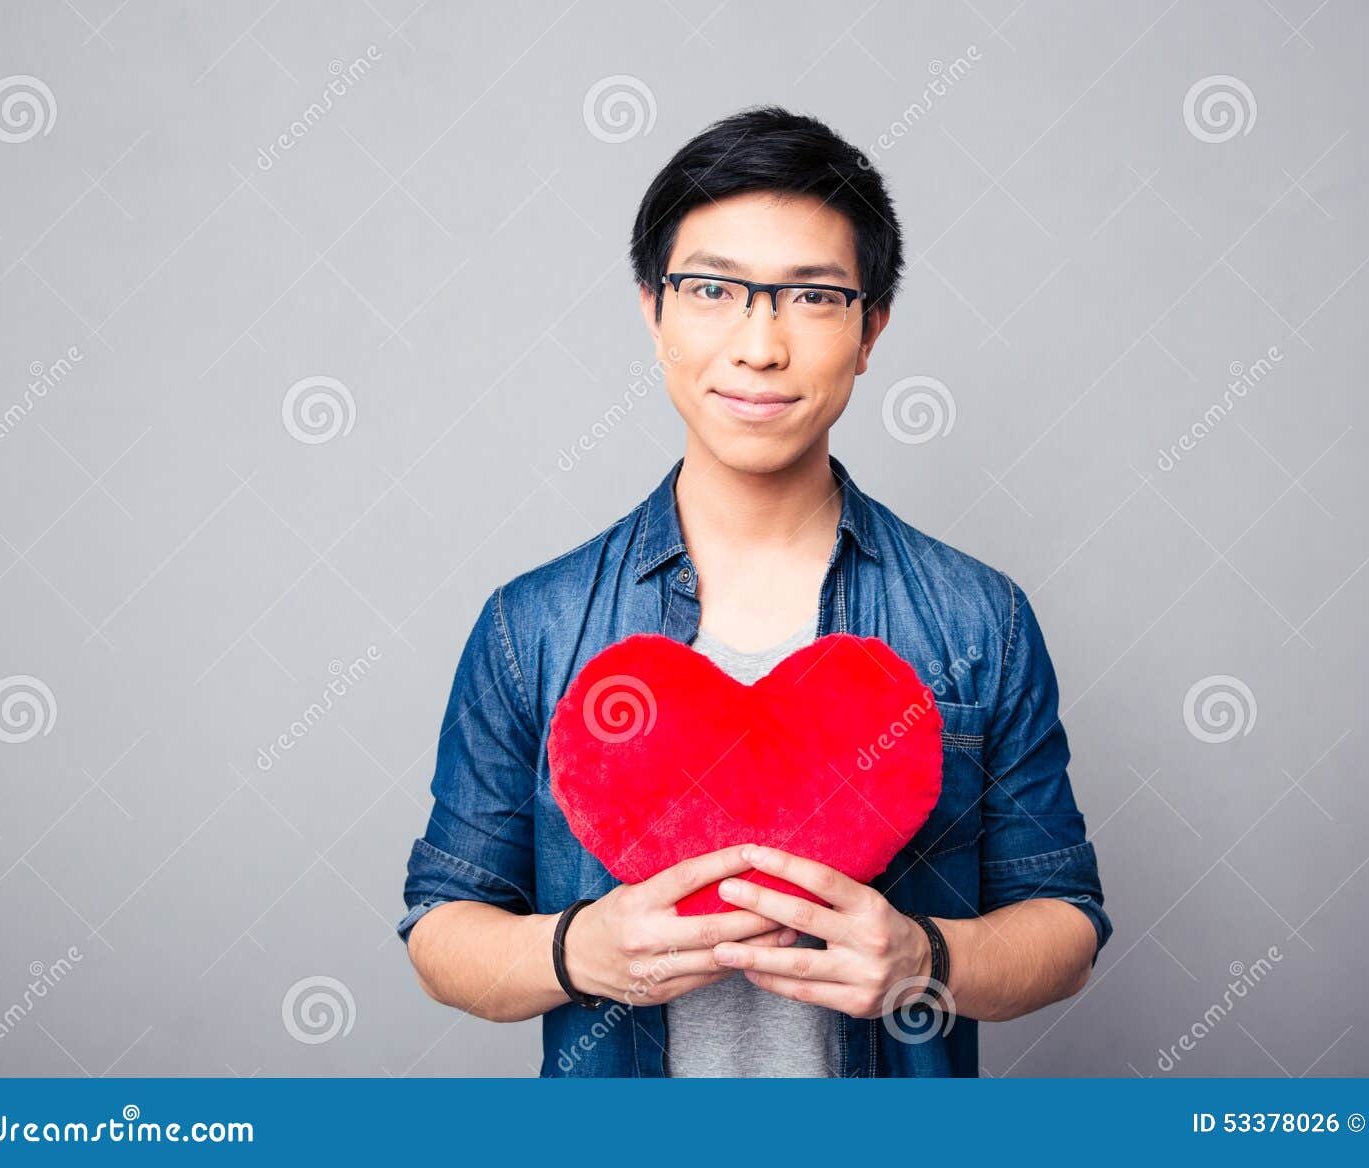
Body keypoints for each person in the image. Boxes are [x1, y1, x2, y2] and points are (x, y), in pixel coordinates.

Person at [396, 105, 1112, 1077]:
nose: (759, 345)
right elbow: (443, 926)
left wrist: (922, 959)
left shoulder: (976, 619)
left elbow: (1063, 920)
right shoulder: (536, 625)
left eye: (812, 297)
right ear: (653, 311)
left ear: (870, 329)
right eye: (711, 290)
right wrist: (578, 950)